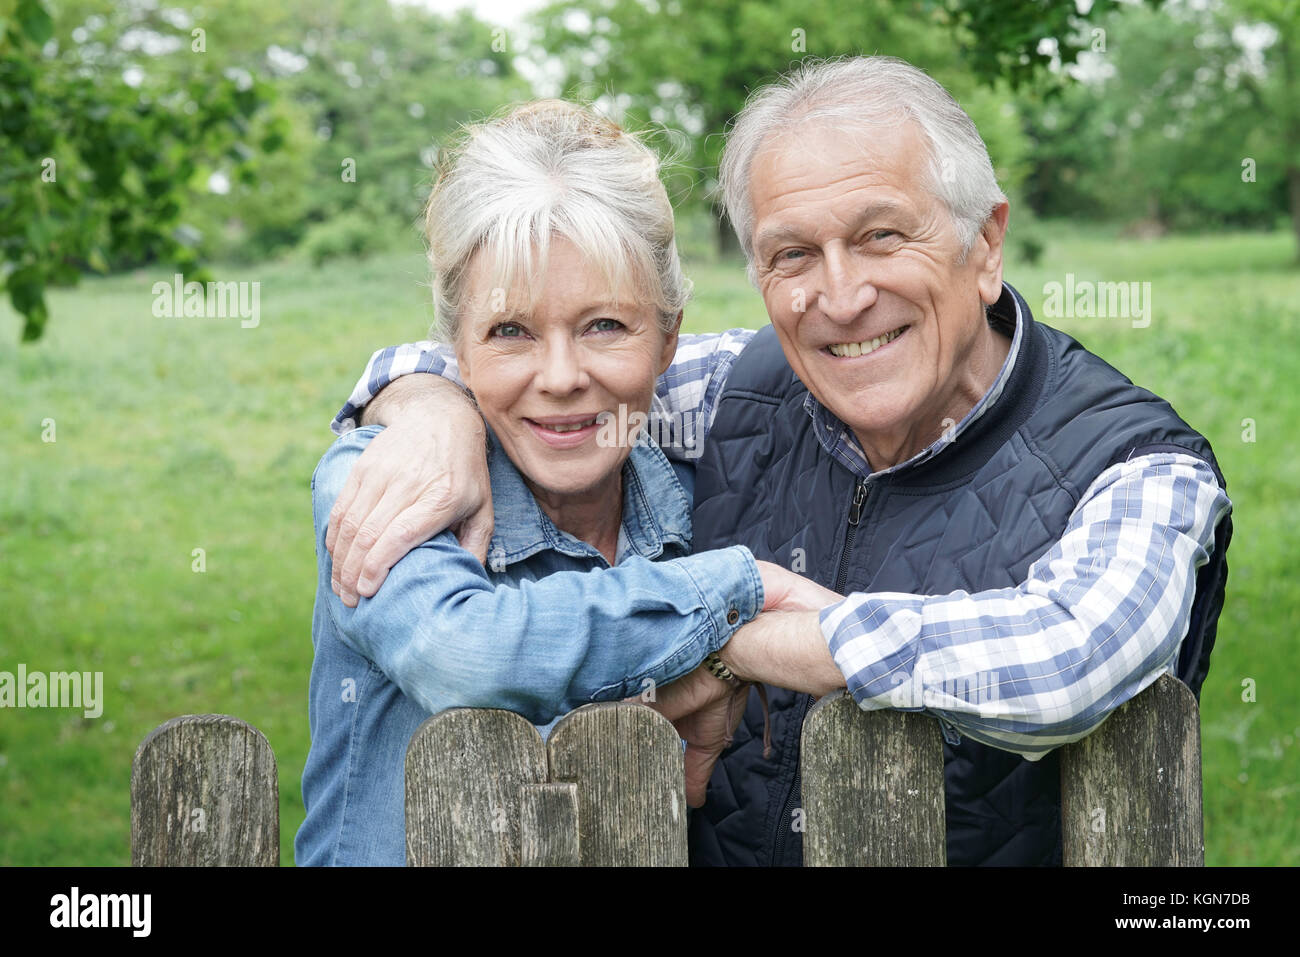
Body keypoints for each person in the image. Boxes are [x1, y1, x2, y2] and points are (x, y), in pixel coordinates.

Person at [324, 57, 1233, 867]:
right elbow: (552, 372)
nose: (842, 295)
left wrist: (751, 638)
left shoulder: (1137, 465)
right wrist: (424, 401)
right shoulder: (739, 392)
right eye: (794, 253)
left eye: (881, 236)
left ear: (985, 244)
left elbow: (1070, 658)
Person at [295, 99, 836, 866]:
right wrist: (739, 591)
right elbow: (466, 655)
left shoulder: (696, 484)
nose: (560, 377)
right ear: (457, 349)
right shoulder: (384, 476)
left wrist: (725, 653)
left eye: (604, 325)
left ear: (668, 337)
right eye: (510, 331)